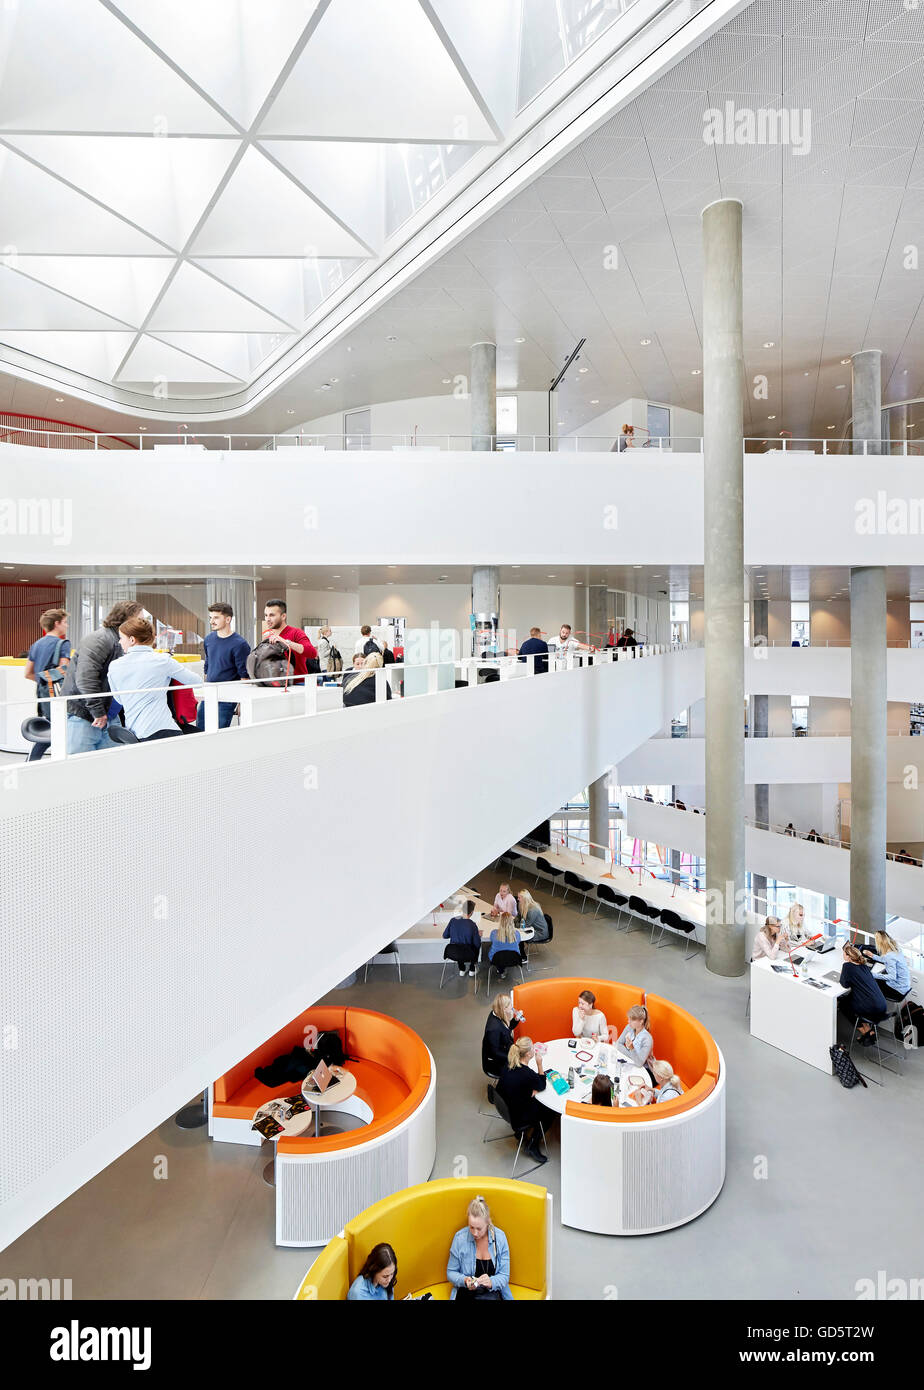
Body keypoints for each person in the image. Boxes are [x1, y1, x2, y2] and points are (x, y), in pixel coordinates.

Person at [62, 599, 143, 753]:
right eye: (140, 618)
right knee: (79, 767)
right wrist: (98, 712)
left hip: (108, 715)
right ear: (127, 618)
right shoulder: (100, 639)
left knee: (111, 765)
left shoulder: (121, 641)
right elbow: (86, 679)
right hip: (85, 715)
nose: (142, 622)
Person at [108, 617, 201, 741]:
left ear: (132, 639)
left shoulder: (114, 665)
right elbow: (197, 681)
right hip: (162, 729)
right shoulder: (162, 660)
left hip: (134, 735)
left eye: (121, 637)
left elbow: (119, 699)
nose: (119, 642)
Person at [24, 607, 71, 760]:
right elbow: (64, 670)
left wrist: (44, 682)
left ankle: (31, 762)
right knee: (61, 729)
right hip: (59, 696)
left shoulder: (36, 644)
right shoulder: (62, 644)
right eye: (64, 622)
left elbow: (28, 673)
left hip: (42, 695)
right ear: (57, 623)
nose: (67, 625)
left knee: (50, 729)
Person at [196, 602, 250, 730]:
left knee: (219, 732)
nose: (211, 621)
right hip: (209, 693)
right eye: (210, 617)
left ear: (228, 619)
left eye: (216, 618)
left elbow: (244, 676)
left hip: (228, 696)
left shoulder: (240, 644)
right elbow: (207, 667)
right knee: (199, 730)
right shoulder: (209, 639)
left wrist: (242, 703)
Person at [447, 1195, 513, 1299]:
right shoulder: (460, 1238)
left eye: (479, 1228)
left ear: (487, 1223)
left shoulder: (500, 1238)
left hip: (492, 1293)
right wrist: (464, 1280)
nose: (475, 1233)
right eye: (471, 1227)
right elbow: (451, 1272)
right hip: (465, 1293)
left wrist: (491, 1281)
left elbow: (504, 1276)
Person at [496, 1038, 547, 1166]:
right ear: (529, 1054)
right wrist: (540, 1064)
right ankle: (533, 1145)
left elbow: (500, 1088)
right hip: (518, 1116)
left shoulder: (508, 1065)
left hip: (506, 1109)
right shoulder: (527, 1074)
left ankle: (521, 1134)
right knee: (548, 1112)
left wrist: (525, 1092)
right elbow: (542, 1085)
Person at [839, 943, 889, 1044]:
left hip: (871, 1008)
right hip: (882, 1005)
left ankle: (866, 1033)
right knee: (848, 998)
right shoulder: (864, 966)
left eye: (844, 953)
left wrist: (842, 973)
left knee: (843, 1006)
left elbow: (844, 984)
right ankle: (868, 1029)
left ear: (848, 956)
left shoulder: (847, 966)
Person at [262, 600, 317, 683]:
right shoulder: (268, 636)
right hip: (276, 685)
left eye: (272, 615)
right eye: (266, 615)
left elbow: (312, 653)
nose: (268, 619)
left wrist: (286, 642)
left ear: (283, 616)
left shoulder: (296, 633)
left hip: (298, 684)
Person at [861, 931, 911, 1002]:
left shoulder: (889, 956)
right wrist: (872, 955)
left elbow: (892, 977)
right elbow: (887, 960)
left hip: (897, 991)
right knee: (872, 981)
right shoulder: (895, 948)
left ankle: (869, 1007)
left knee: (868, 983)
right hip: (905, 986)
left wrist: (872, 974)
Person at [482, 993, 524, 1076]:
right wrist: (514, 1058)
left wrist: (516, 1019)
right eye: (510, 1005)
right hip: (495, 1063)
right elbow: (495, 1052)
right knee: (520, 1072)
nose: (512, 1007)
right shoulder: (493, 1029)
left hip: (504, 1050)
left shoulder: (497, 1013)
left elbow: (506, 1029)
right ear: (504, 1009)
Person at [443, 899, 482, 978]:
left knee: (459, 946)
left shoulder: (453, 920)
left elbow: (445, 936)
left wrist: (456, 932)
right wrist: (477, 935)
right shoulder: (472, 925)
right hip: (467, 954)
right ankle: (472, 970)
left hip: (453, 953)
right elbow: (477, 944)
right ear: (471, 912)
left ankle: (462, 969)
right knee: (475, 947)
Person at [615, 1004, 654, 1076]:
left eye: (632, 1020)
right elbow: (618, 1044)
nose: (628, 1022)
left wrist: (631, 1048)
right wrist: (632, 1056)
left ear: (641, 1021)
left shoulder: (647, 1039)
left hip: (645, 1070)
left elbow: (639, 1063)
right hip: (630, 1063)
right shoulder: (629, 1027)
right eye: (628, 1019)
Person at [488, 913, 521, 979]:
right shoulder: (517, 934)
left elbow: (492, 941)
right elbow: (518, 942)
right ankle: (502, 968)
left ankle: (500, 969)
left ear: (500, 922)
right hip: (514, 959)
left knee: (495, 949)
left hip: (496, 959)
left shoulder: (494, 933)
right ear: (512, 922)